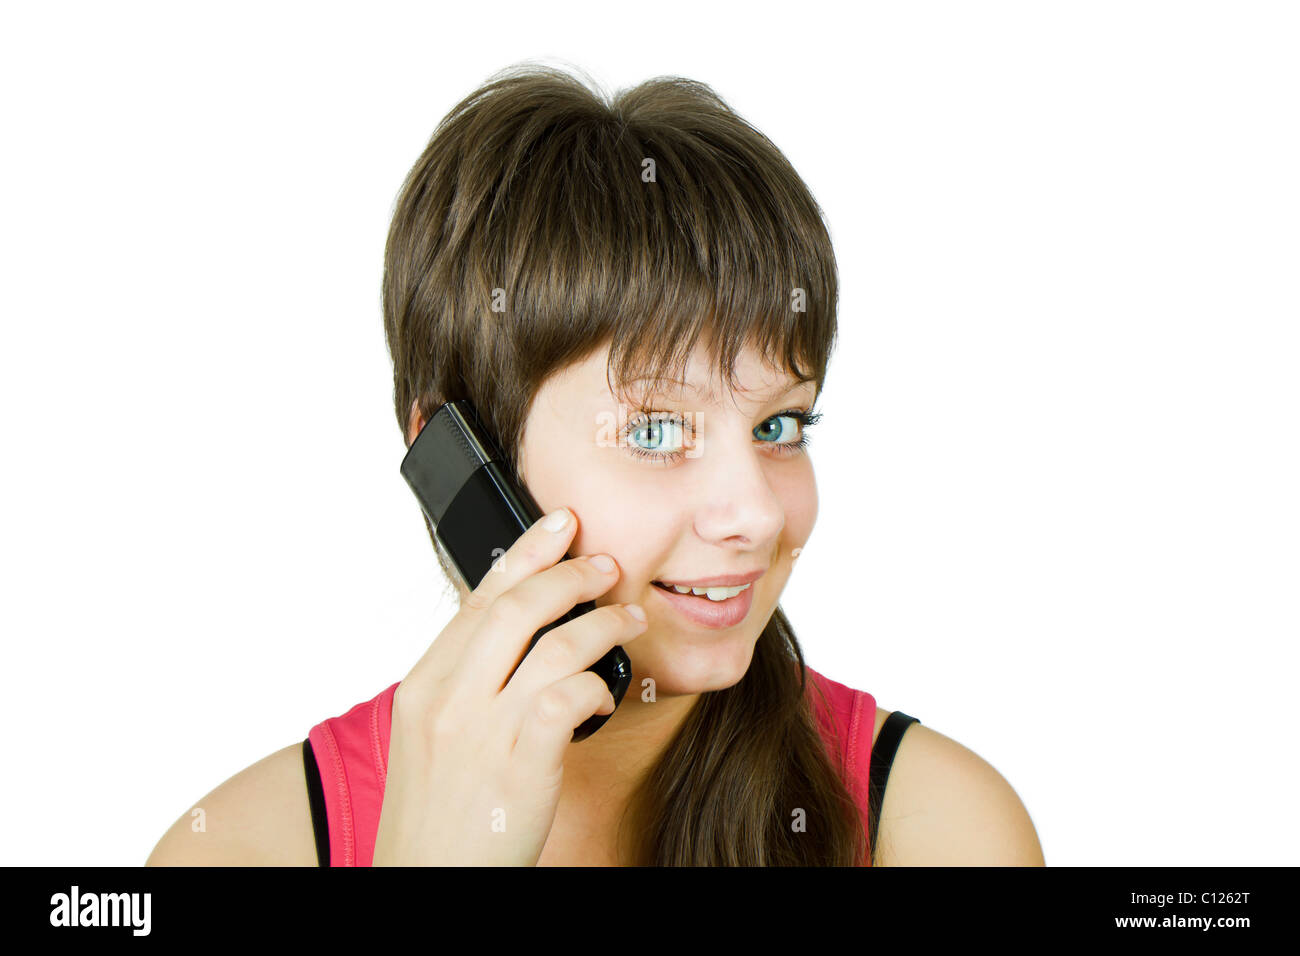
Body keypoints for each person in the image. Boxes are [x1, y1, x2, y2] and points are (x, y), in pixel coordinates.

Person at [147, 63, 1045, 867]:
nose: (759, 514)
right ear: (462, 457)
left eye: (779, 426)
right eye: (655, 433)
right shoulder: (238, 850)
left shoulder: (938, 827)